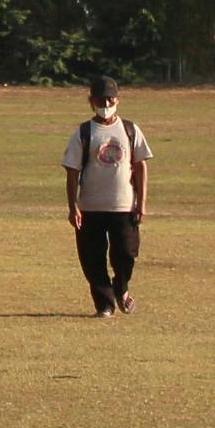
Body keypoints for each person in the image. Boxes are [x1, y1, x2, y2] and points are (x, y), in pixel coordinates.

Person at [60, 75, 150, 316]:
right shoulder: (84, 132)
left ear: (118, 100)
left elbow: (140, 166)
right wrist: (73, 206)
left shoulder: (130, 130)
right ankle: (105, 304)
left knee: (126, 253)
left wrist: (141, 203)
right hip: (91, 207)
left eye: (110, 99)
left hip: (123, 206)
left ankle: (121, 287)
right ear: (92, 101)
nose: (106, 104)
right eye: (100, 99)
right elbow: (72, 172)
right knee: (92, 258)